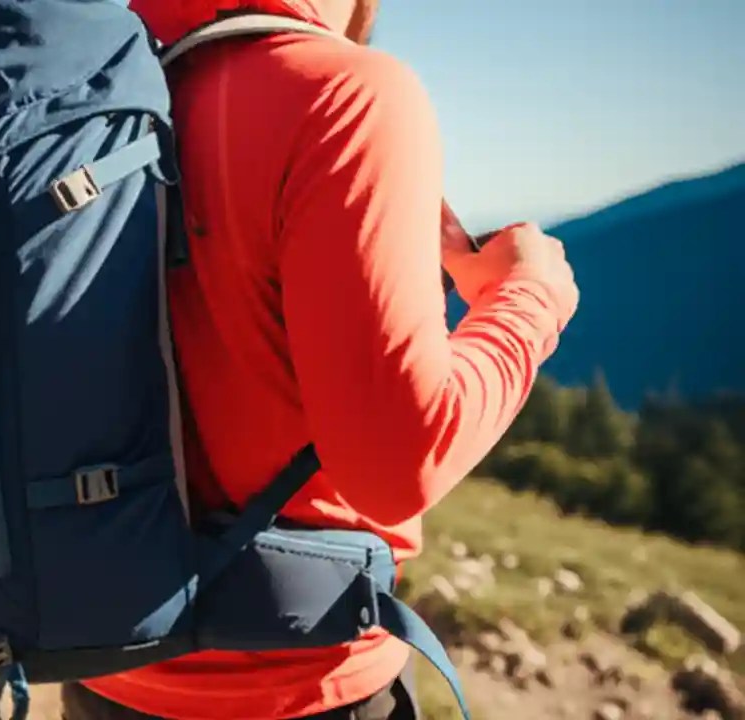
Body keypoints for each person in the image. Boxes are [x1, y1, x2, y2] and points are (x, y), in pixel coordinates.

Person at [60, 0, 581, 718]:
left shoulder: (80, 95)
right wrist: (529, 298)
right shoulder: (341, 92)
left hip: (102, 665)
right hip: (303, 682)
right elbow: (400, 462)